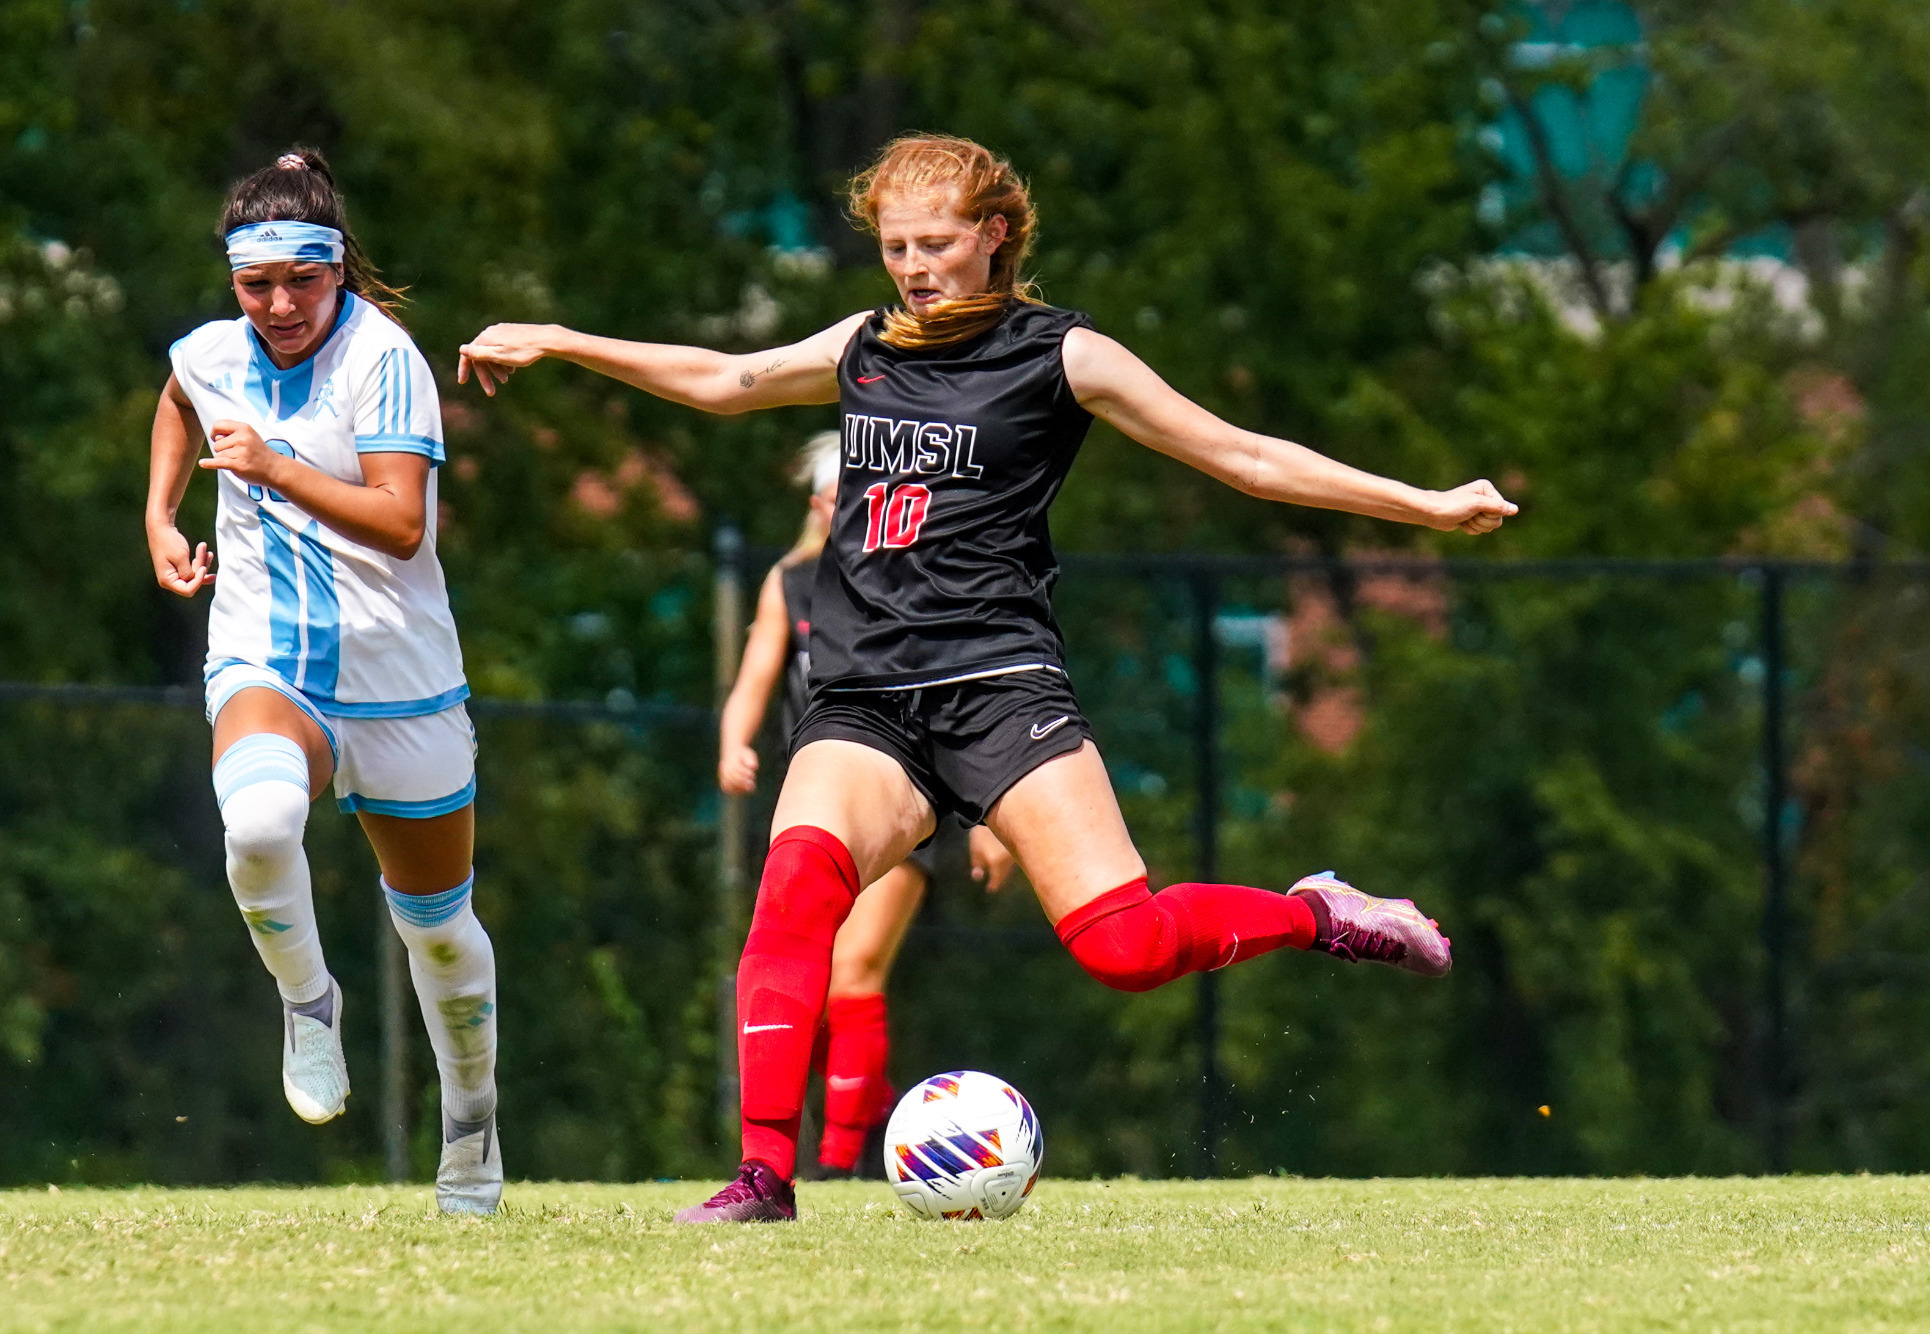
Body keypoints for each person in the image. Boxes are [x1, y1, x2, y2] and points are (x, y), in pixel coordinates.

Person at [459, 133, 1516, 1223]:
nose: (911, 266)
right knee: (793, 891)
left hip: (1001, 684)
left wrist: (1423, 505)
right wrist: (561, 338)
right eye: (894, 246)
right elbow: (727, 380)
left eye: (934, 243)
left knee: (1126, 945)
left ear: (994, 235)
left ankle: (1318, 913)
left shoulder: (1062, 355)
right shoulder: (864, 344)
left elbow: (1241, 455)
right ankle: (764, 1176)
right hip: (864, 695)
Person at [146, 150, 503, 1215]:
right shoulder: (215, 352)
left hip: (406, 686)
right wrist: (160, 516)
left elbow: (401, 524)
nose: (281, 304)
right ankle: (309, 1002)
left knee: (438, 926)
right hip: (266, 659)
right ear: (234, 283)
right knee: (255, 825)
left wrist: (278, 468)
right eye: (257, 286)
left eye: (301, 281)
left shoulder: (384, 358)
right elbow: (178, 394)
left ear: (336, 268)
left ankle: (471, 1132)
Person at [719, 430, 1019, 1178]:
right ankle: (878, 1108)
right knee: (807, 988)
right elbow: (754, 678)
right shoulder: (790, 583)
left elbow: (968, 697)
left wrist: (990, 815)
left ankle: (837, 1164)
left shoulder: (912, 580)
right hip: (820, 801)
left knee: (852, 970)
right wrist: (734, 742)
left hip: (901, 799)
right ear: (823, 505)